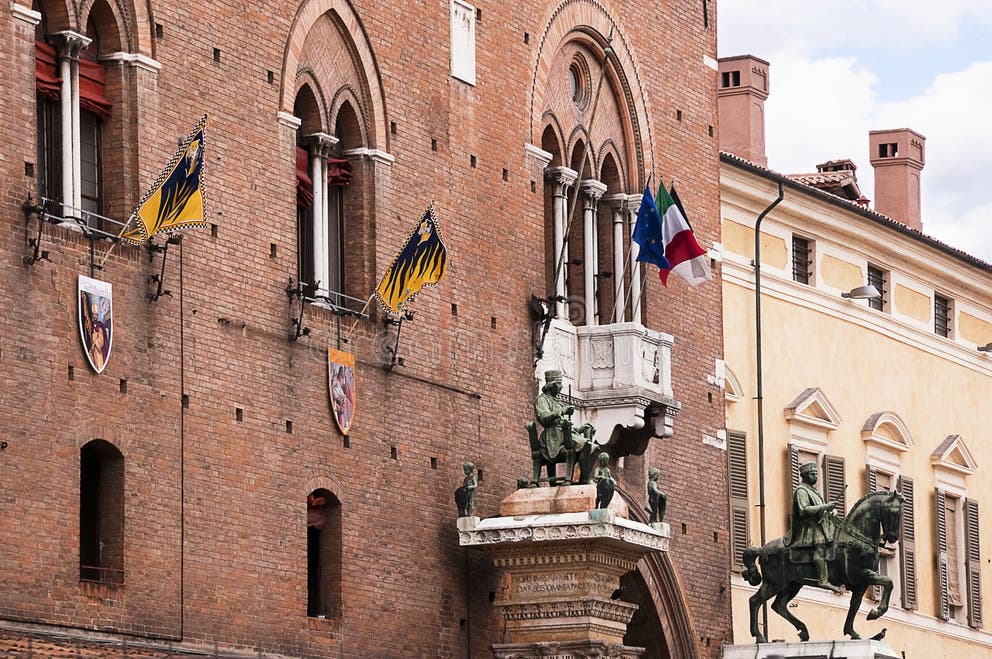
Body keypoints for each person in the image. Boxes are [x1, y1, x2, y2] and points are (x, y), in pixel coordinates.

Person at [786, 461, 840, 592]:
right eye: (812, 474)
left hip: (821, 525)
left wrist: (831, 511)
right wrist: (825, 506)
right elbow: (803, 510)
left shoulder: (814, 491)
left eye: (816, 474)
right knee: (820, 546)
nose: (815, 476)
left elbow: (821, 509)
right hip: (809, 527)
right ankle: (823, 579)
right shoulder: (801, 491)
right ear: (805, 475)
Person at [533, 370, 596, 483]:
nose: (561, 387)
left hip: (564, 434)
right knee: (586, 445)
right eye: (559, 383)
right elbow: (544, 417)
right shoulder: (542, 400)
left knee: (593, 448)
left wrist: (580, 429)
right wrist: (562, 411)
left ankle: (584, 478)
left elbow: (564, 423)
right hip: (553, 437)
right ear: (552, 385)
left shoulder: (557, 401)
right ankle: (584, 479)